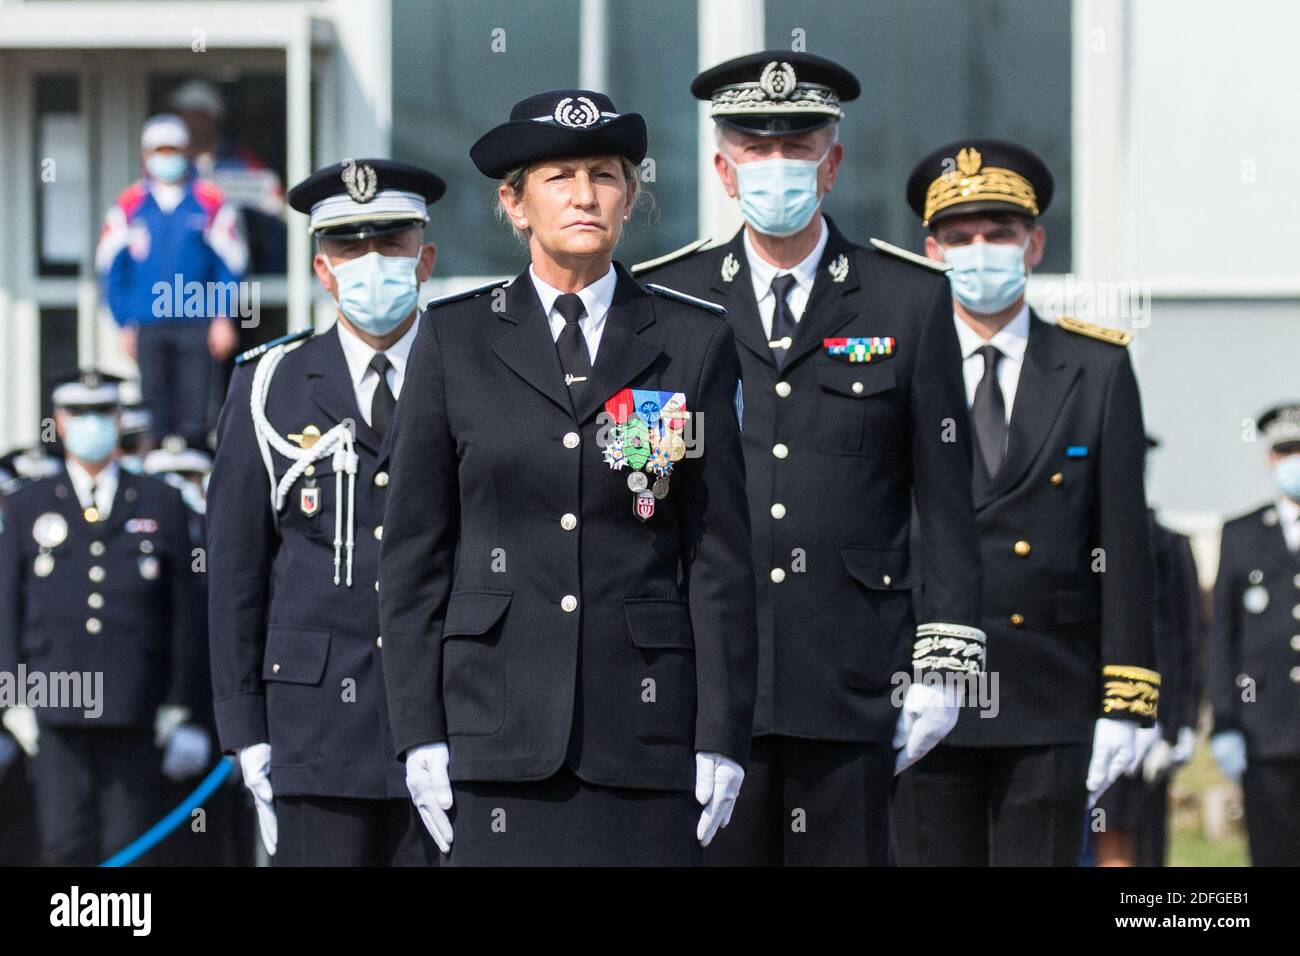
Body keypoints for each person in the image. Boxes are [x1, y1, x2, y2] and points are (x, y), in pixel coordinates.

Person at [380, 89, 757, 866]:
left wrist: (721, 732)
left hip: (645, 733)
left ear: (630, 196)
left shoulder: (691, 341)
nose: (585, 195)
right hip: (493, 730)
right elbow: (415, 555)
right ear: (514, 205)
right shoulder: (454, 339)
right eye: (559, 177)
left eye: (604, 175)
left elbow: (716, 557)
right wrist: (418, 730)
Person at [637, 52, 984, 866]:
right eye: (756, 149)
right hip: (705, 686)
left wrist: (945, 663)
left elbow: (944, 497)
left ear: (832, 165)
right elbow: (643, 494)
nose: (777, 166)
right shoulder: (664, 299)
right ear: (724, 171)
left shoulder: (909, 297)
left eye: (797, 148)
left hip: (853, 677)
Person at [892, 139, 1158, 866]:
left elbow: (1123, 546)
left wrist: (1127, 699)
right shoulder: (892, 365)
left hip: (1049, 693)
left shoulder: (1096, 367)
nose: (979, 251)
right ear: (931, 251)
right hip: (922, 687)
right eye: (959, 237)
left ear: (1034, 244)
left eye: (999, 233)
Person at [207, 159, 444, 866]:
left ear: (425, 258)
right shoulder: (268, 384)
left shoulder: (469, 369)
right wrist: (244, 729)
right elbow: (236, 571)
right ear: (322, 268)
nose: (371, 262)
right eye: (348, 246)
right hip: (311, 730)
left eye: (390, 242)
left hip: (449, 725)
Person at [0, 371, 206, 864]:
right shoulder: (29, 504)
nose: (90, 424)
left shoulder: (160, 501)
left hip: (135, 699)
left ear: (118, 421)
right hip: (53, 699)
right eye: (78, 414)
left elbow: (183, 613)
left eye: (101, 413)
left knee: (129, 842)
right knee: (63, 842)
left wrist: (180, 702)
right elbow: (8, 606)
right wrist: (12, 697)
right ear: (59, 423)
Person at [96, 114, 248, 449]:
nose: (166, 158)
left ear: (186, 151)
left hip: (197, 322)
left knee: (197, 413)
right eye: (159, 151)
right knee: (154, 412)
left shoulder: (209, 200)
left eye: (173, 150)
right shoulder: (130, 204)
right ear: (146, 155)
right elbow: (110, 266)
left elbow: (231, 264)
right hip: (149, 324)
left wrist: (223, 316)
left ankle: (195, 469)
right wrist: (124, 321)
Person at [1092, 435, 1202, 866]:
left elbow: (1187, 642)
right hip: (1083, 714)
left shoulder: (1168, 546)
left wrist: (1177, 725)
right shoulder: (1073, 535)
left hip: (1146, 723)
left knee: (1141, 842)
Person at [1209, 402, 1300, 866]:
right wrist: (1225, 722)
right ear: (1270, 458)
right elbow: (1222, 638)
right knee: (1273, 853)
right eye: (1286, 451)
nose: (1294, 461)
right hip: (1265, 727)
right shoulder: (1241, 533)